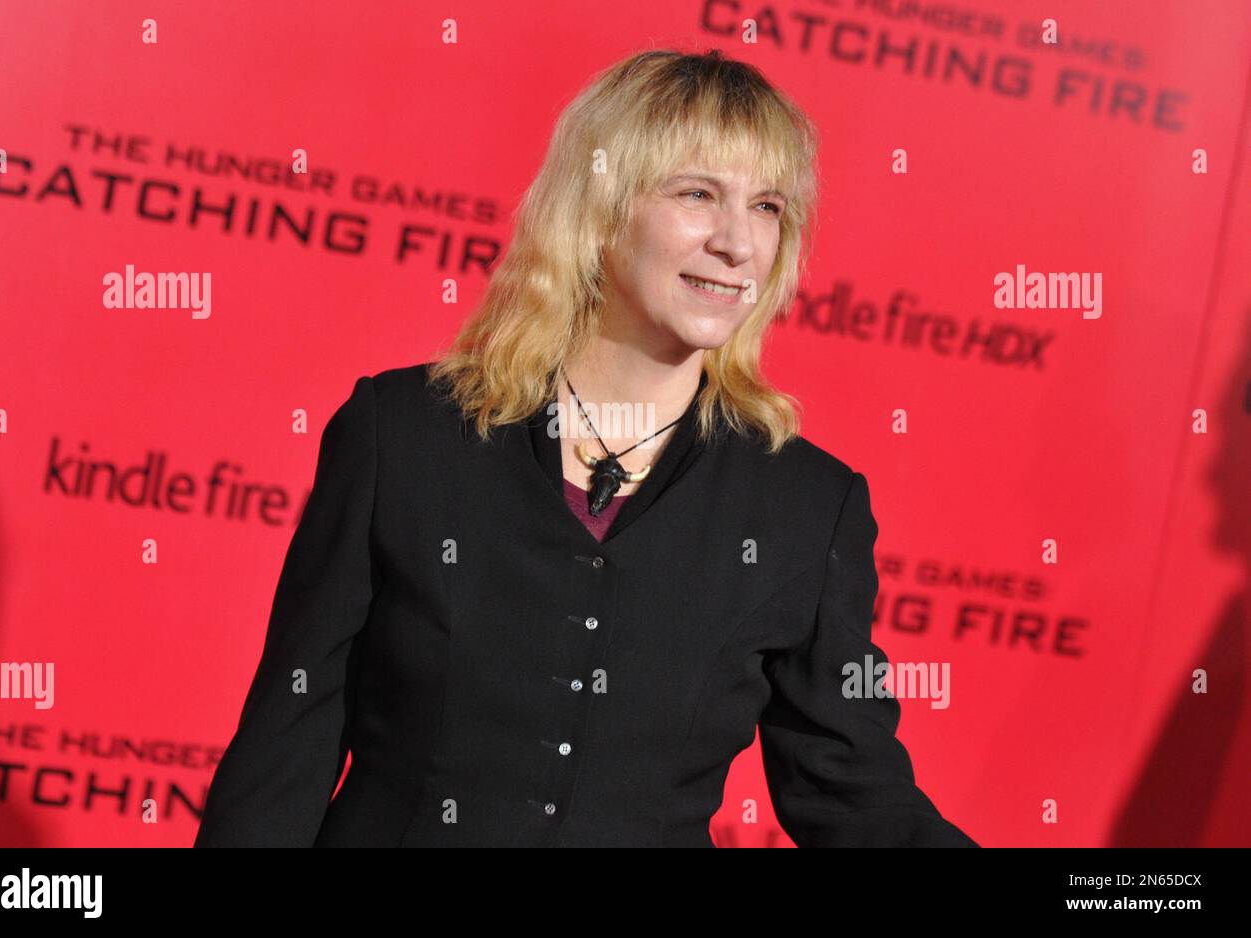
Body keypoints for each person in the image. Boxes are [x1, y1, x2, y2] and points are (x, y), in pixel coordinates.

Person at [194, 48, 979, 847]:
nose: (738, 243)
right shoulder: (404, 433)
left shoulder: (807, 506)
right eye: (698, 194)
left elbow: (854, 790)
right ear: (600, 209)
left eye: (769, 207)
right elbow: (287, 745)